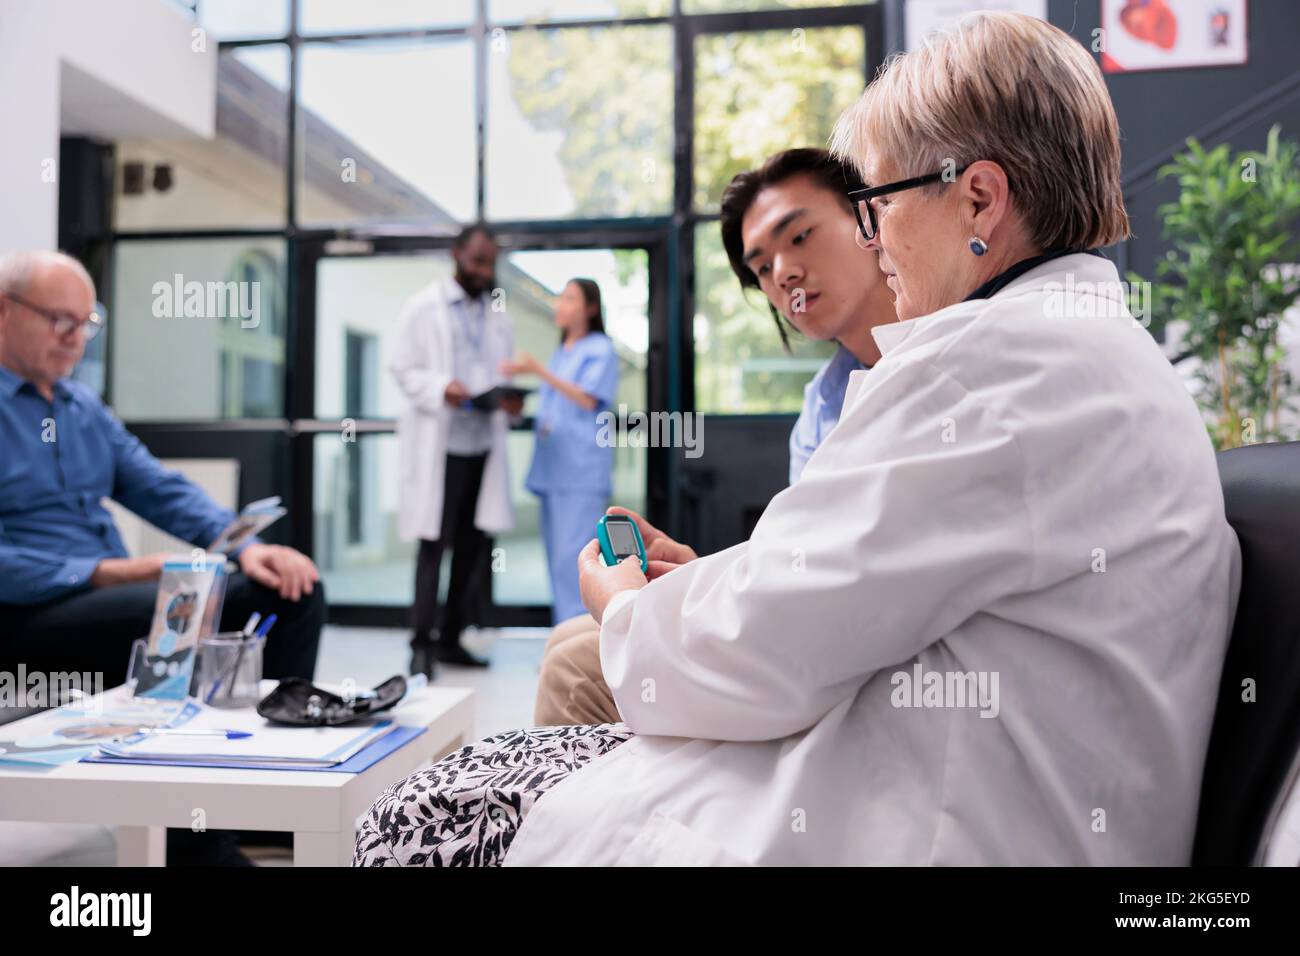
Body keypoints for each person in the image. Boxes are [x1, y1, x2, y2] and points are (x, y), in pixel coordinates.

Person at [357, 12, 1242, 867]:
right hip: (959, 779)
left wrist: (629, 606)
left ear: (979, 195)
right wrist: (703, 585)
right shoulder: (1066, 347)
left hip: (936, 818)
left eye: (876, 203)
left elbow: (775, 643)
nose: (872, 236)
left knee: (411, 817)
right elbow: (843, 583)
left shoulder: (987, 367)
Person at [531, 148, 898, 726]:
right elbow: (796, 555)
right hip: (811, 628)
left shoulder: (931, 373)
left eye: (799, 236)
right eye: (762, 266)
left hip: (852, 665)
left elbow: (846, 595)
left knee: (576, 666)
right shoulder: (821, 404)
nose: (784, 273)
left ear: (872, 218)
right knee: (571, 634)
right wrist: (698, 570)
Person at [0, 250, 325, 866]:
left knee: (289, 589)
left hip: (104, 598)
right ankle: (197, 846)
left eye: (86, 321)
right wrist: (106, 572)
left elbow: (159, 488)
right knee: (178, 610)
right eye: (58, 320)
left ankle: (265, 798)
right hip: (28, 610)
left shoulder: (80, 407)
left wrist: (249, 546)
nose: (75, 337)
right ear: (3, 312)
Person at [391, 224, 522, 678]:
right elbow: (402, 369)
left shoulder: (496, 314)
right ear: (456, 255)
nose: (484, 272)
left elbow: (498, 368)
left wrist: (507, 399)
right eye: (477, 262)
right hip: (440, 447)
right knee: (433, 546)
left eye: (490, 264)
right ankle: (419, 644)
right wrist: (439, 387)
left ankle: (451, 639)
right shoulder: (422, 308)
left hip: (481, 445)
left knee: (471, 549)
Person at [501, 279, 619, 625]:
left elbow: (586, 398)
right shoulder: (562, 351)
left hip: (579, 469)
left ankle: (579, 641)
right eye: (560, 298)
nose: (560, 305)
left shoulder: (600, 348)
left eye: (569, 299)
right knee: (556, 559)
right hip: (553, 468)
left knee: (577, 559)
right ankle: (563, 637)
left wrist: (539, 371)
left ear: (591, 308)